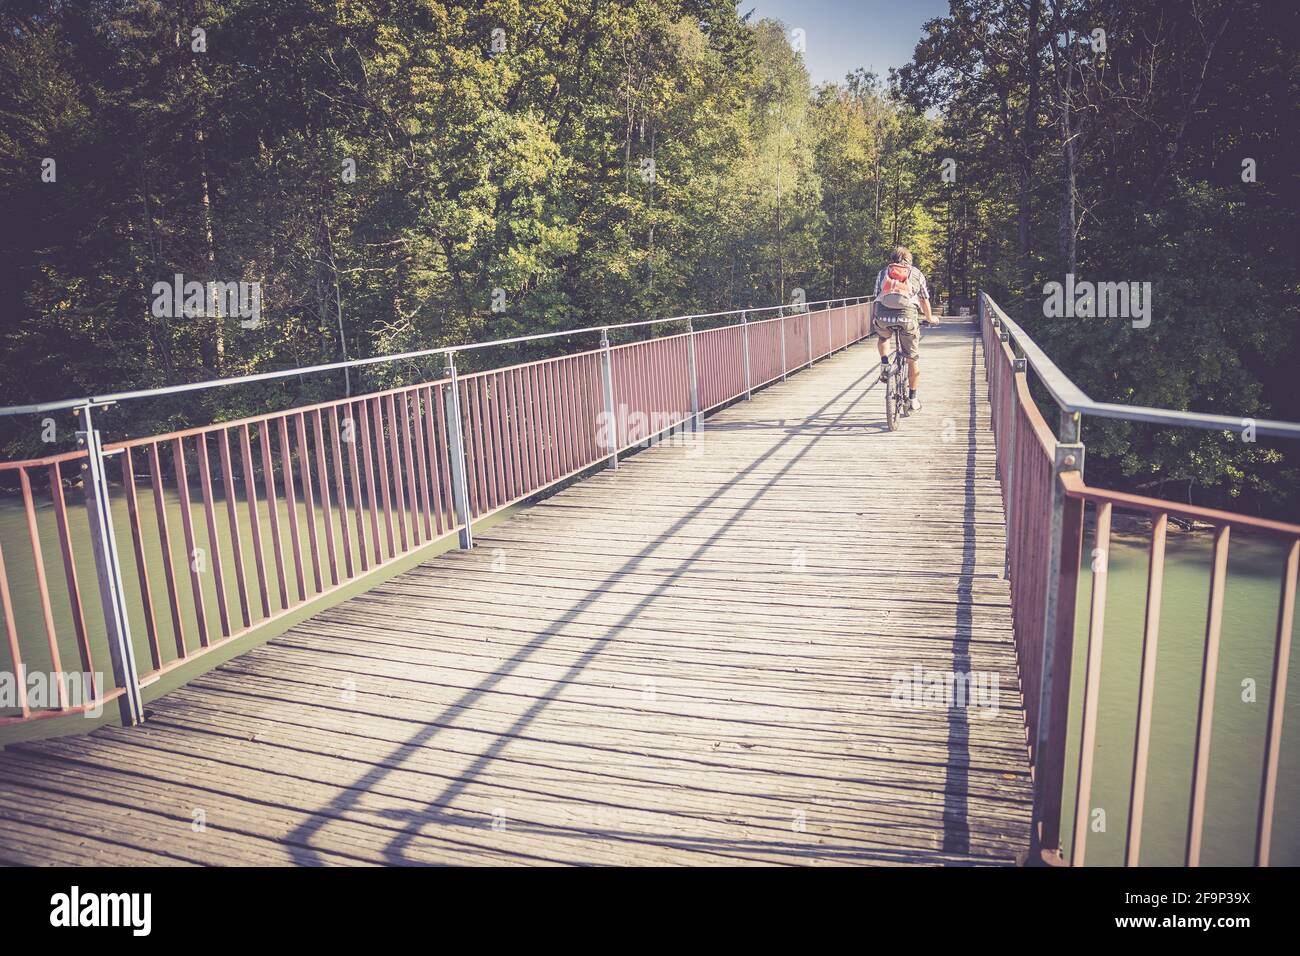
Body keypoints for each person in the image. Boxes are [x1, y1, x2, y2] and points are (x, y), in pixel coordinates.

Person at [872, 246, 937, 411]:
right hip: (907, 316)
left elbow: (876, 296)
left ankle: (885, 363)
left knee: (883, 337)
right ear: (909, 260)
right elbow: (923, 300)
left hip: (883, 314)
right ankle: (913, 399)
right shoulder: (916, 274)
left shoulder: (882, 273)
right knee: (912, 358)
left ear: (892, 259)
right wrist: (930, 318)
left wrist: (877, 317)